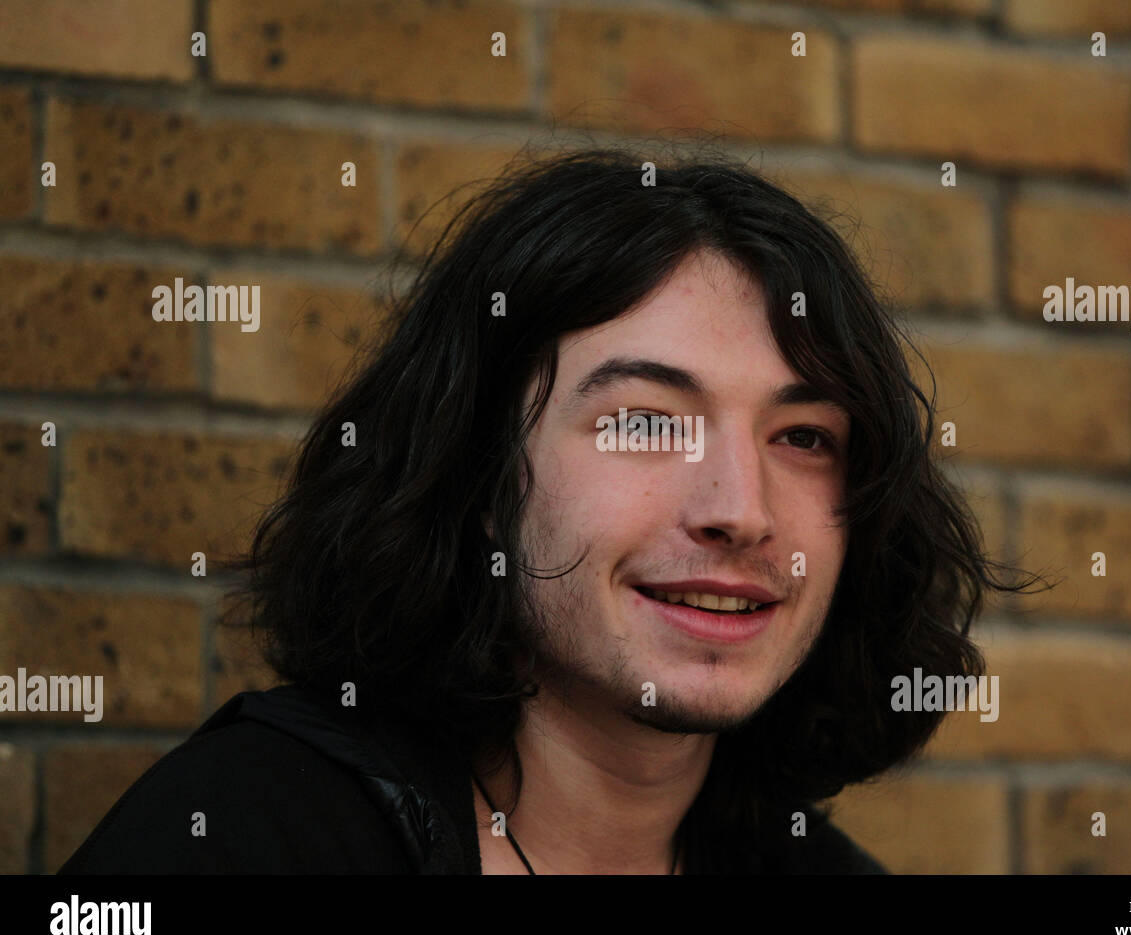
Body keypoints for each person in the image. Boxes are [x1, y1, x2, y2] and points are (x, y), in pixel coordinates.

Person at [60, 142, 1042, 875]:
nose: (740, 509)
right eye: (647, 421)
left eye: (802, 438)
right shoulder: (247, 835)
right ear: (483, 476)